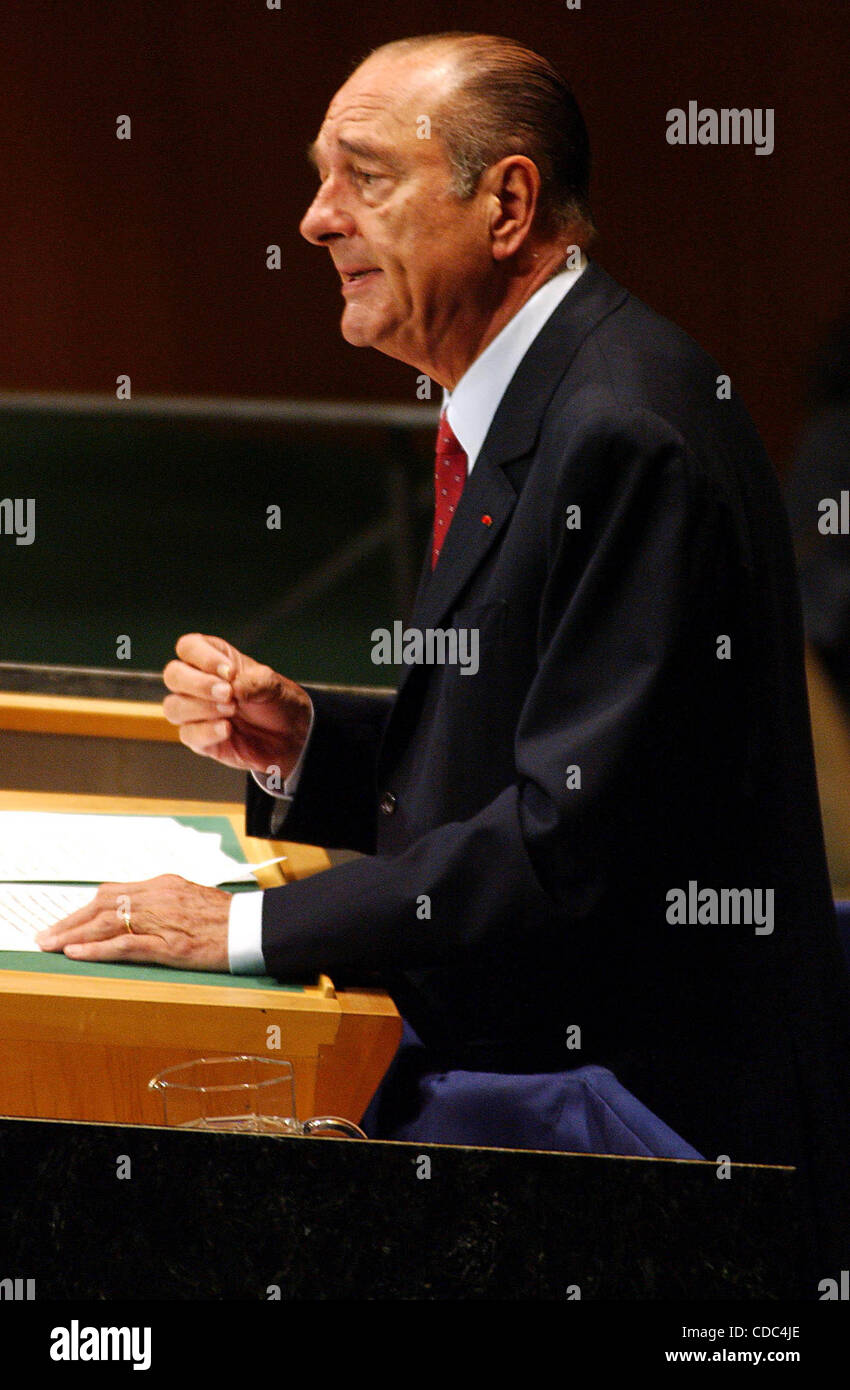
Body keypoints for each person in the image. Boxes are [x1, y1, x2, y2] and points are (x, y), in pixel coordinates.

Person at [37, 32, 850, 1281]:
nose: (315, 220)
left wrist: (248, 928)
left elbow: (567, 846)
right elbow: (539, 744)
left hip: (646, 1152)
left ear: (506, 203)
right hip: (546, 1080)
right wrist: (316, 743)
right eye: (320, 177)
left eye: (362, 176)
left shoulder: (622, 433)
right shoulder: (545, 397)